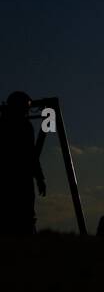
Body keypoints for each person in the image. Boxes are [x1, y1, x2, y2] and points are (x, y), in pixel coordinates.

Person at [0, 91, 45, 236]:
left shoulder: (5, 124)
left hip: (11, 179)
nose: (27, 111)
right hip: (20, 180)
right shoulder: (25, 127)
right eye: (26, 107)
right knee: (22, 215)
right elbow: (31, 156)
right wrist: (40, 179)